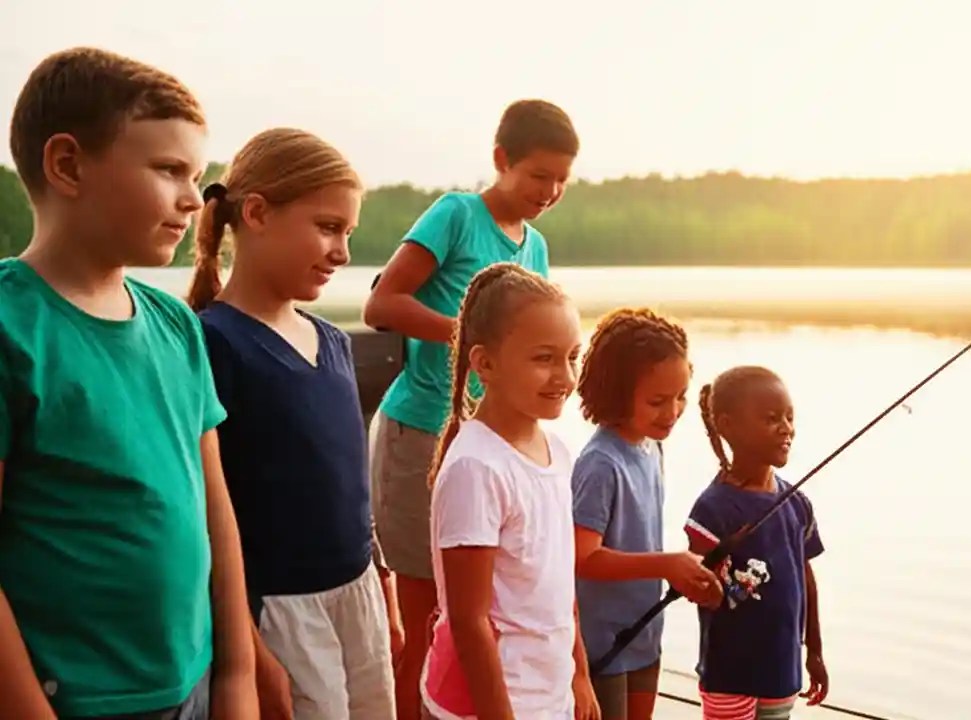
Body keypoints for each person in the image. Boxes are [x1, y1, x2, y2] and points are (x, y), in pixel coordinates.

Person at [0, 47, 256, 719]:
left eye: (196, 175)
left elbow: (215, 510)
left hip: (193, 687)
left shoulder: (176, 325)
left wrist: (237, 677)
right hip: (74, 700)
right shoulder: (11, 327)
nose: (193, 199)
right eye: (168, 169)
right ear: (67, 165)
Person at [361, 98, 578, 720]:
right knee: (430, 613)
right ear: (501, 160)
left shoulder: (534, 246)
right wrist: (468, 340)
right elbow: (381, 305)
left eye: (562, 179)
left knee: (486, 605)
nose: (550, 190)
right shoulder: (457, 214)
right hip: (422, 431)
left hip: (497, 440)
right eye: (539, 175)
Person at [187, 128, 397, 720]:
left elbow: (348, 481)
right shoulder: (211, 344)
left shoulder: (331, 341)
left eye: (348, 233)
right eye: (328, 227)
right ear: (256, 213)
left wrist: (382, 588)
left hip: (358, 597)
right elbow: (203, 512)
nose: (343, 252)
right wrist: (247, 652)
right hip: (277, 611)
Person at [421, 262, 599, 720]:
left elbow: (560, 581)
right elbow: (468, 621)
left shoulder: (557, 452)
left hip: (548, 693)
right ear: (485, 363)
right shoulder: (476, 467)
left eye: (572, 357)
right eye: (544, 358)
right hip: (489, 704)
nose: (565, 376)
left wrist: (579, 673)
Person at [570, 308, 723, 720]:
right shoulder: (600, 463)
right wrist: (666, 565)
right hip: (602, 642)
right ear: (617, 393)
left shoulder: (651, 448)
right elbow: (583, 558)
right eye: (657, 401)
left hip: (644, 632)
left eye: (680, 397)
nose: (672, 411)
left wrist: (686, 567)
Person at [685, 367, 829, 720]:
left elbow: (805, 581)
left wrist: (815, 652)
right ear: (728, 425)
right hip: (729, 676)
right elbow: (694, 582)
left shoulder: (797, 502)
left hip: (781, 673)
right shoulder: (713, 507)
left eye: (789, 417)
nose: (786, 428)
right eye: (770, 419)